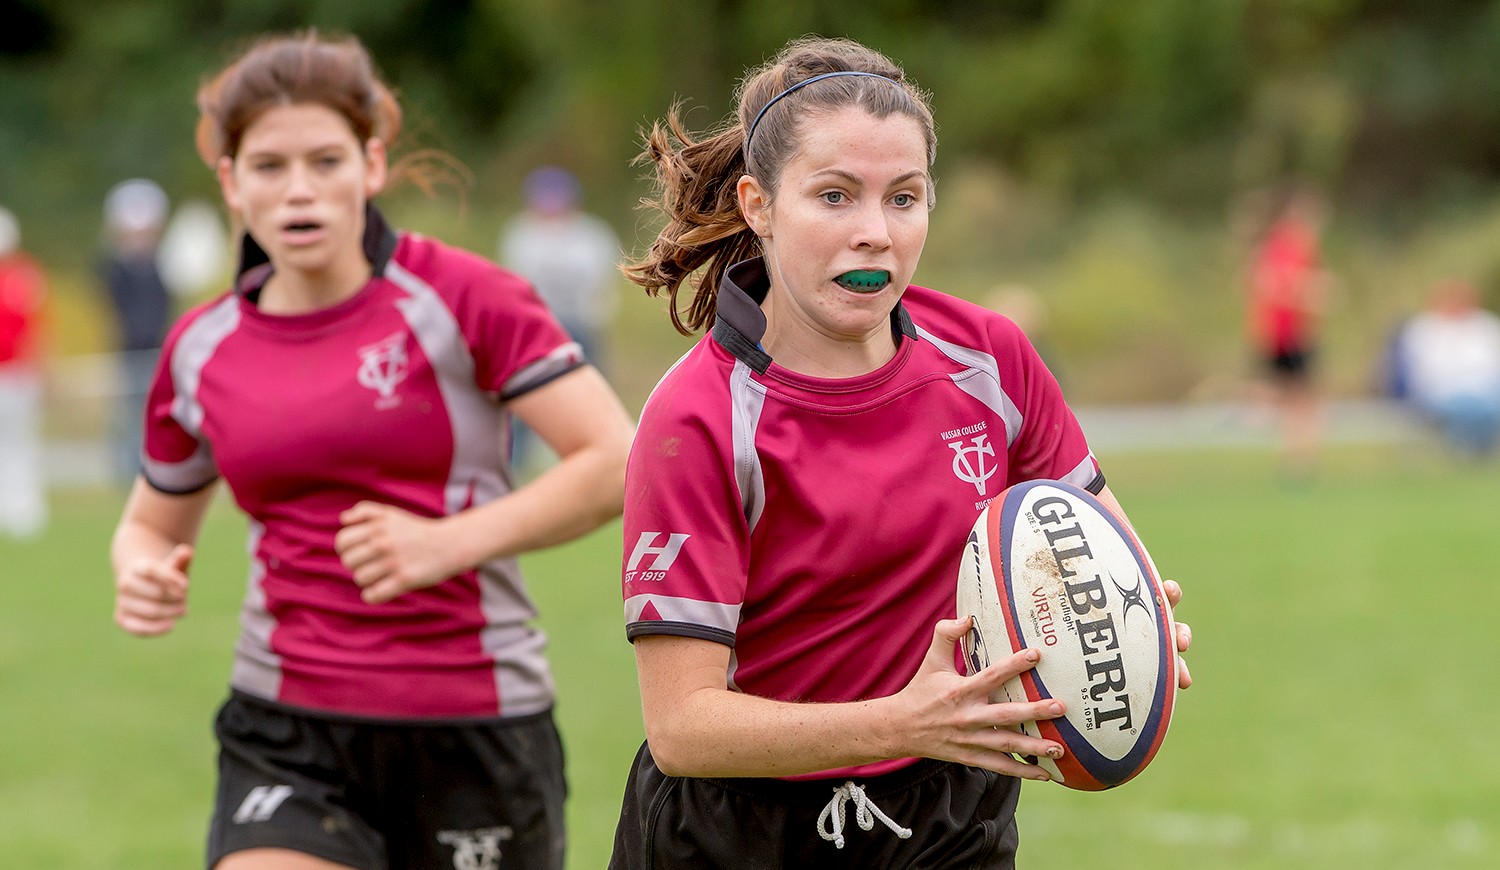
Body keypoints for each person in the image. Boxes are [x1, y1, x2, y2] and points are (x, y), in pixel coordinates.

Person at [610, 36, 1193, 869]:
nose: (875, 234)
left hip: (951, 813)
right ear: (758, 205)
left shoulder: (989, 359)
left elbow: (1096, 541)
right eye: (835, 196)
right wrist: (901, 719)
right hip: (741, 833)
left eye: (905, 198)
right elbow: (681, 728)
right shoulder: (698, 419)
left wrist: (1137, 622)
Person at [109, 32, 635, 870]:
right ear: (231, 183)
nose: (299, 190)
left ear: (373, 165)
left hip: (473, 720)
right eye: (269, 167)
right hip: (284, 728)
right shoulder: (199, 348)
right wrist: (139, 568)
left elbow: (616, 459)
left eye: (325, 160)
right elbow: (150, 524)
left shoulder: (466, 298)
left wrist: (447, 543)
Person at [497, 166, 621, 470]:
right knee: (526, 401)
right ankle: (514, 464)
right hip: (537, 328)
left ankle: (596, 462)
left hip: (581, 327)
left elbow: (602, 285)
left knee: (592, 399)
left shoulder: (592, 236)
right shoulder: (521, 236)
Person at [1244, 184, 1331, 479]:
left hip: (1282, 332)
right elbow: (1280, 285)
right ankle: (1298, 461)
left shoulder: (1278, 244)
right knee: (1301, 400)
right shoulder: (1291, 244)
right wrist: (1317, 290)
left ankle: (1296, 458)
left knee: (1293, 399)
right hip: (1290, 333)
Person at [99, 177, 173, 483]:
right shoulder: (116, 268)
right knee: (129, 414)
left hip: (158, 349)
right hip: (129, 350)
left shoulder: (164, 265)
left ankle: (155, 467)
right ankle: (127, 472)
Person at [1390, 279, 1500, 458]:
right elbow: (1419, 371)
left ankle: (1475, 452)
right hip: (1439, 393)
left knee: (1481, 406)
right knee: (1464, 407)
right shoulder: (1423, 328)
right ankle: (1467, 452)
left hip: (1485, 392)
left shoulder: (1487, 326)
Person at [0, 205, 49, 538]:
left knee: (21, 441)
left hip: (18, 374)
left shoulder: (25, 275)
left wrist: (42, 366)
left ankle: (23, 507)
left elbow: (37, 326)